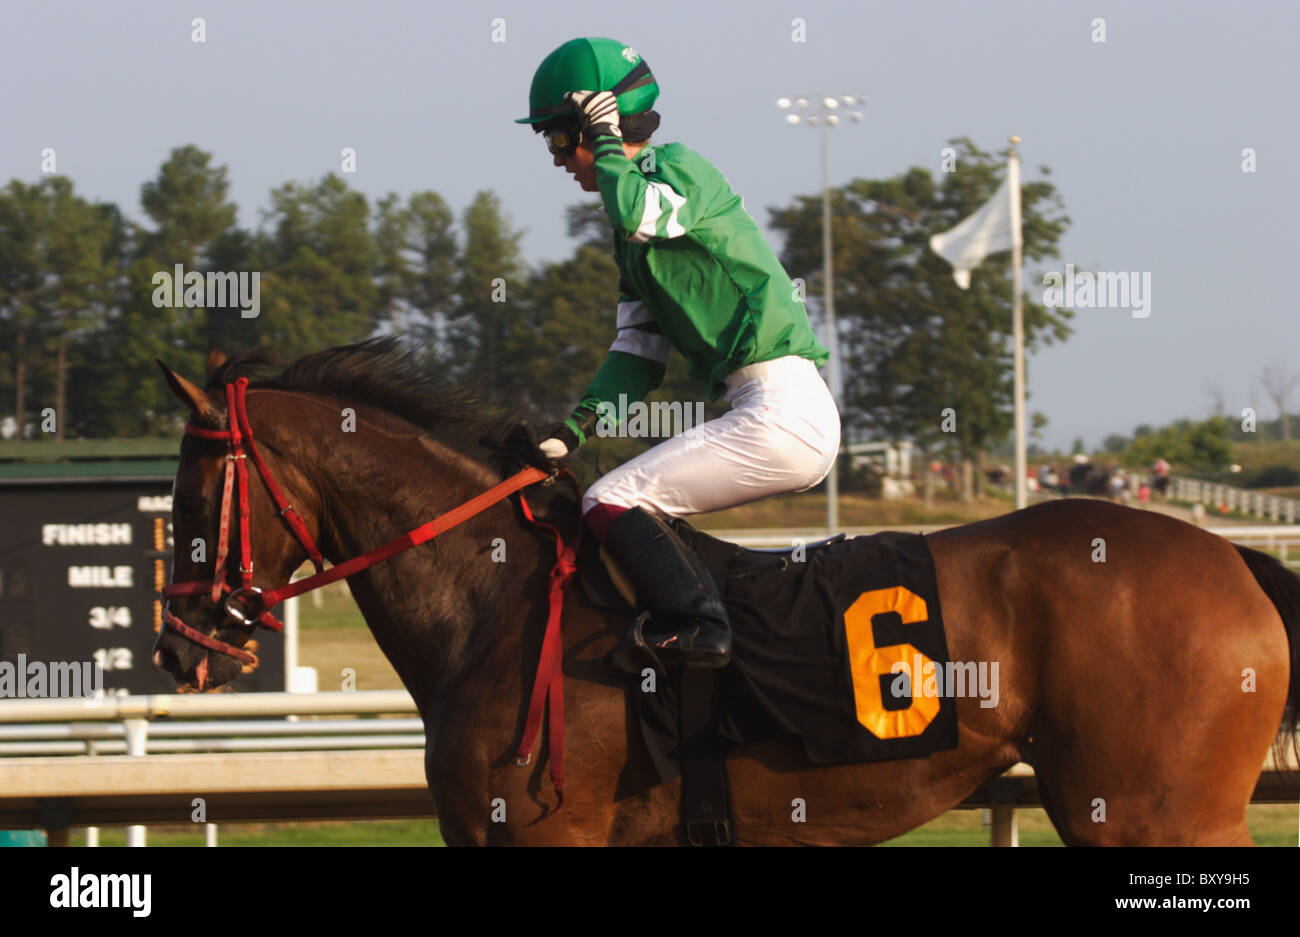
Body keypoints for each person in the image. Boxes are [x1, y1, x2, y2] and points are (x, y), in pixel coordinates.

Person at [515, 38, 840, 670]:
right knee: (621, 501)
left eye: (560, 140)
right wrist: (573, 431)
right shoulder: (631, 244)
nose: (557, 160)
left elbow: (634, 208)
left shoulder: (681, 171)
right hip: (761, 408)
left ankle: (701, 630)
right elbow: (637, 353)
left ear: (601, 122)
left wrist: (604, 140)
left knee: (610, 501)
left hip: (782, 410)